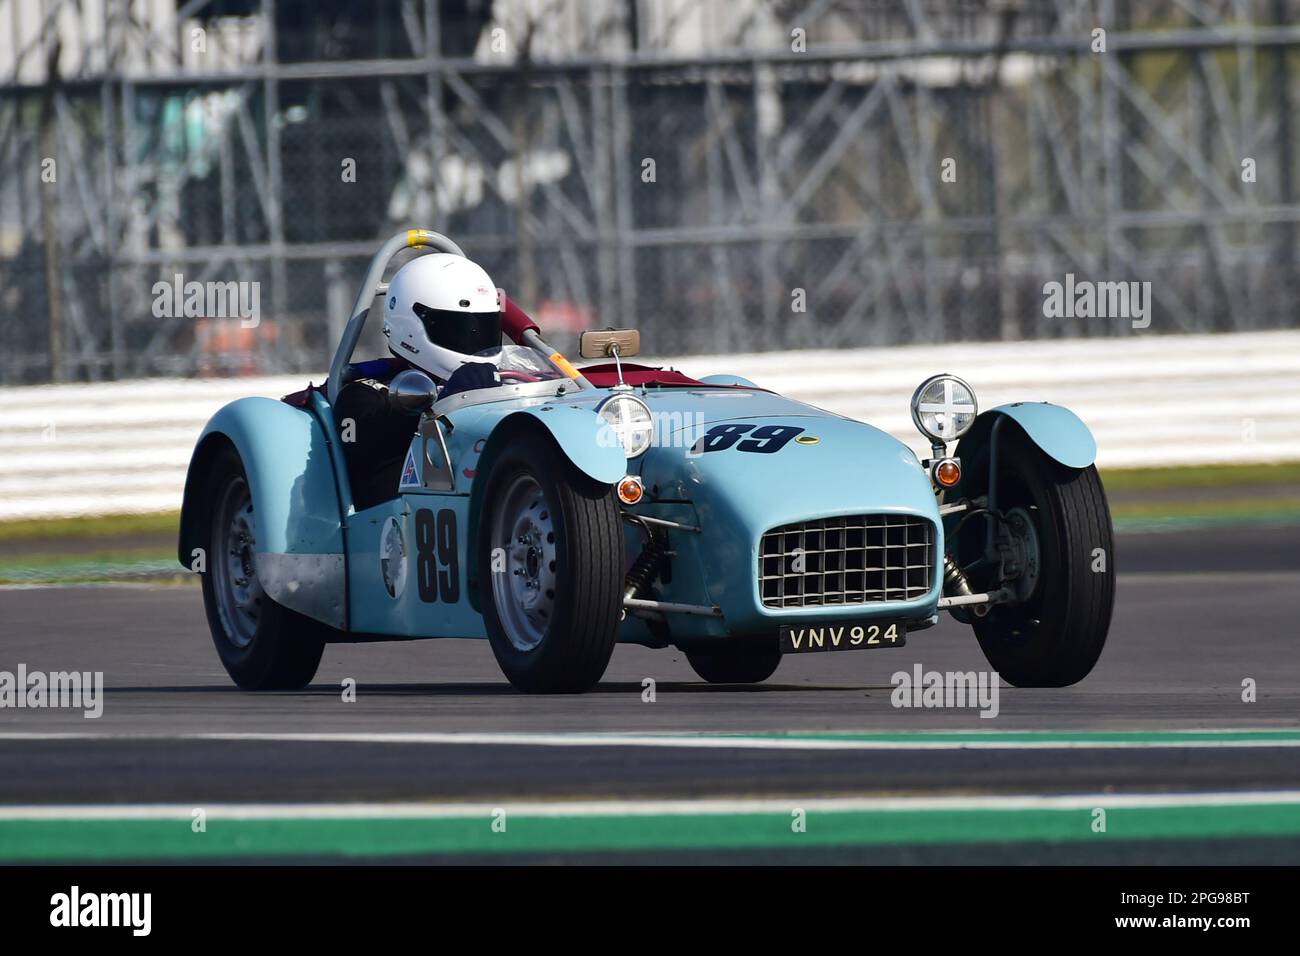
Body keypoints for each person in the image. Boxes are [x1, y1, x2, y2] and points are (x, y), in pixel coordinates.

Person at [334, 253, 504, 510]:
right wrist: (447, 405)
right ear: (410, 326)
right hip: (398, 529)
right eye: (458, 329)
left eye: (484, 328)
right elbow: (363, 447)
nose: (473, 339)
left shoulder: (501, 379)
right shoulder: (364, 395)